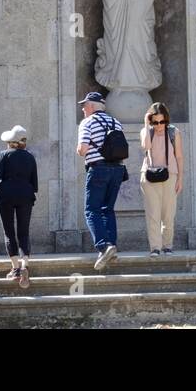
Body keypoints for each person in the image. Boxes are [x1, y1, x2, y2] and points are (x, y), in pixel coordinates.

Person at [76, 91, 126, 271]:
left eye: (84, 105)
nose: (82, 108)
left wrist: (79, 151)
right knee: (108, 209)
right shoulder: (116, 122)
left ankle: (104, 246)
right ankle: (111, 246)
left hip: (98, 168)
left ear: (91, 106)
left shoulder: (87, 122)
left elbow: (83, 148)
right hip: (118, 169)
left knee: (91, 210)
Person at [0, 125, 37, 287]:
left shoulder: (3, 155)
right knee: (23, 232)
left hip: (6, 196)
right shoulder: (30, 157)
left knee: (9, 232)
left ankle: (16, 268)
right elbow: (35, 184)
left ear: (11, 142)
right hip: (26, 195)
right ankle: (25, 265)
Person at [139, 103, 182, 256]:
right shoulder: (146, 131)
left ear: (166, 120)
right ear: (151, 120)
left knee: (168, 215)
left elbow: (179, 156)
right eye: (155, 122)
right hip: (149, 176)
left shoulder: (173, 132)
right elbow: (146, 146)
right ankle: (155, 248)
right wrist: (145, 124)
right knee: (153, 214)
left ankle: (167, 246)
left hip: (170, 175)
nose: (159, 125)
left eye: (162, 122)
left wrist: (180, 179)